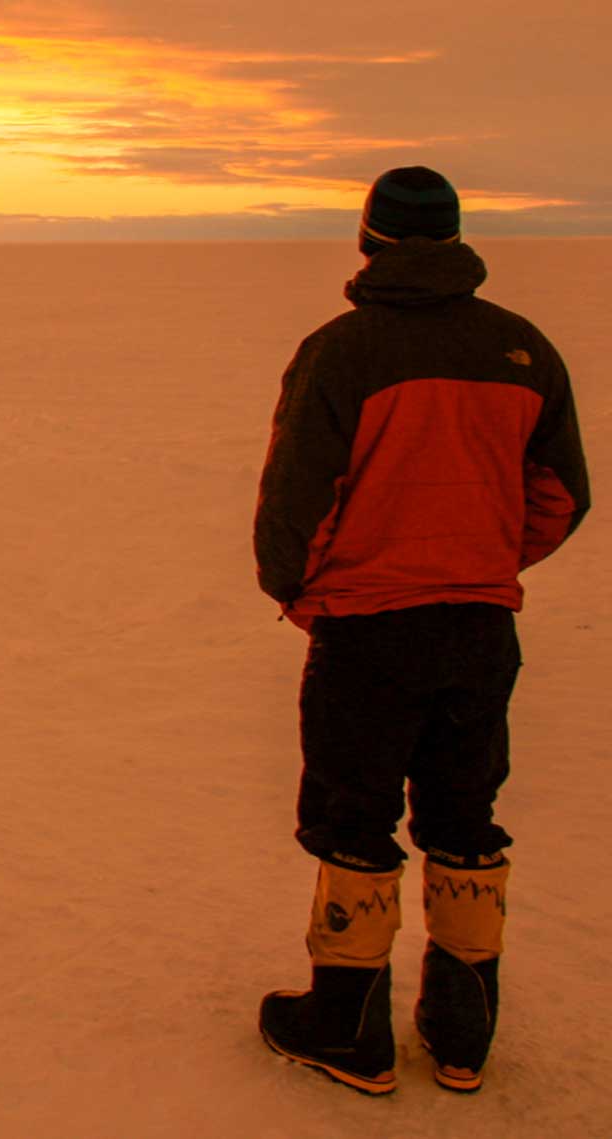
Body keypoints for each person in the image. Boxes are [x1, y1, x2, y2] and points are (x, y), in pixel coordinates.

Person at [252, 166, 590, 1095]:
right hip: (479, 627)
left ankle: (348, 1026)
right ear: (453, 239)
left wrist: (300, 589)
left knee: (352, 817)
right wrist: (485, 563)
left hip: (367, 626)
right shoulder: (521, 348)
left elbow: (296, 499)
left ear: (370, 241)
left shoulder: (343, 351)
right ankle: (461, 1030)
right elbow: (562, 494)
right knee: (463, 813)